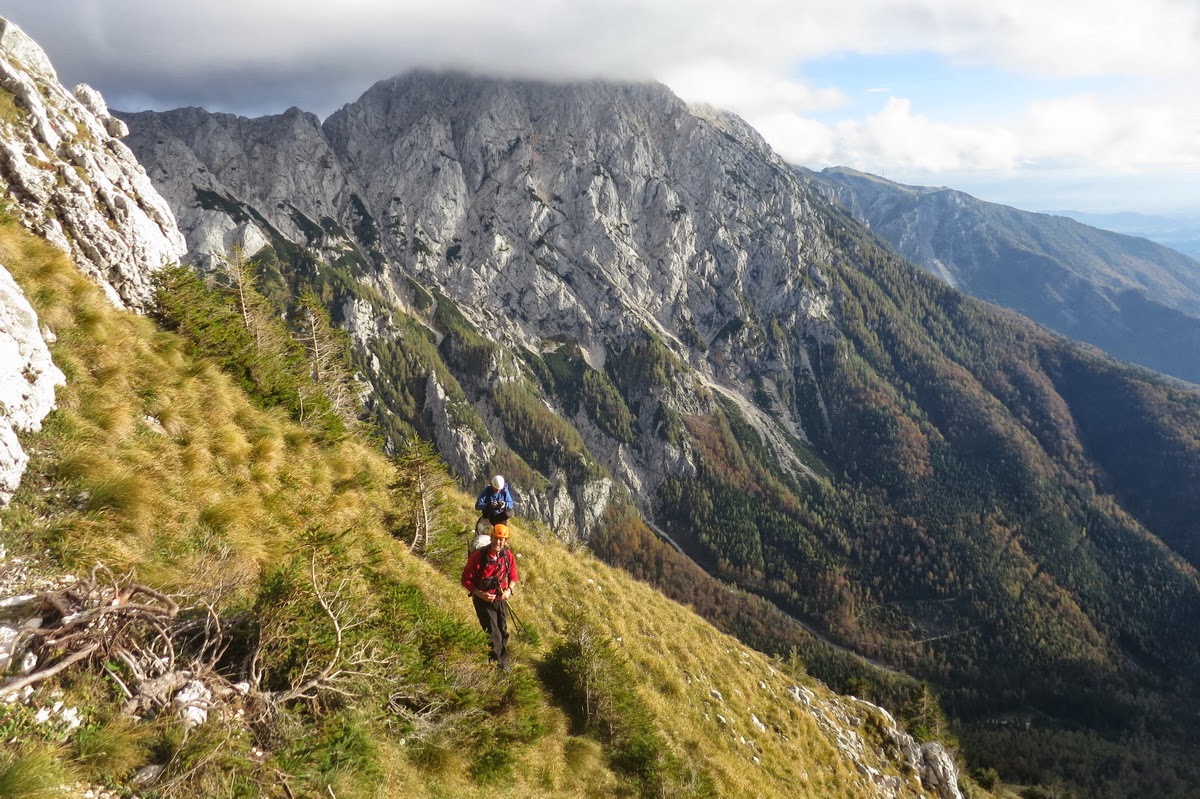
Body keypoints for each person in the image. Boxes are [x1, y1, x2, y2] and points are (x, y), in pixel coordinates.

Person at [460, 523, 519, 670]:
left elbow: (513, 576)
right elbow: (466, 579)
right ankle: (497, 667)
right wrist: (480, 594)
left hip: (500, 599)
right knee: (494, 636)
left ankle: (502, 663)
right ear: (491, 538)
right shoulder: (478, 557)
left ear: (506, 541)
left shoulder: (507, 556)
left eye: (502, 540)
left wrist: (509, 591)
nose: (498, 542)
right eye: (496, 538)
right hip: (483, 601)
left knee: (503, 633)